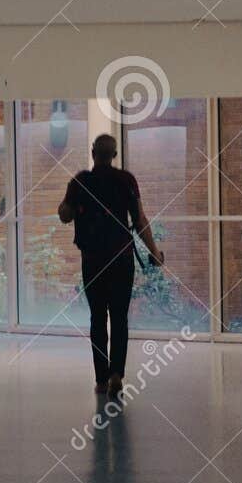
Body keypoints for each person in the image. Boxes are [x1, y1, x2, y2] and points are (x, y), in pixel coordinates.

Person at [58, 134, 164, 399]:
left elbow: (64, 215)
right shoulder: (126, 181)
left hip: (93, 261)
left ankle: (101, 380)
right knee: (119, 318)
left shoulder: (80, 181)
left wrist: (70, 203)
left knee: (97, 317)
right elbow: (139, 220)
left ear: (93, 152)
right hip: (121, 260)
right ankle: (117, 374)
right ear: (114, 155)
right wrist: (155, 252)